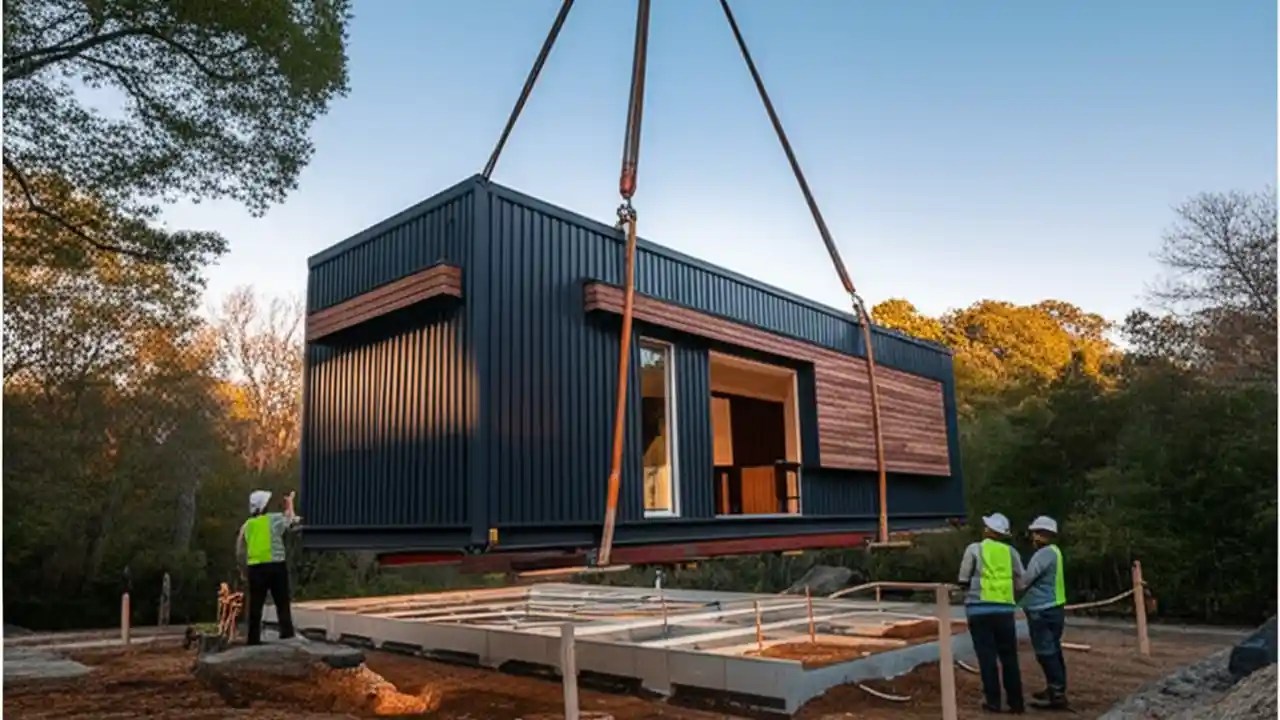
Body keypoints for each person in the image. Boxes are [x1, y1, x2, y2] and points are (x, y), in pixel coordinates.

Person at [958, 512, 1026, 714]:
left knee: (987, 658)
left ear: (988, 530)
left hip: (978, 609)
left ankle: (993, 701)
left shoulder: (975, 549)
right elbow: (1021, 581)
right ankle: (1016, 703)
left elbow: (963, 577)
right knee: (1009, 658)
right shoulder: (1011, 552)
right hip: (1004, 610)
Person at [237, 489, 302, 645]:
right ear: (263, 506)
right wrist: (290, 504)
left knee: (255, 606)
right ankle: (287, 635)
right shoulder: (273, 520)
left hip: (255, 569)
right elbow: (291, 521)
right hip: (276, 566)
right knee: (282, 602)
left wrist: (242, 570)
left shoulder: (247, 526)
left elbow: (240, 550)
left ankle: (253, 640)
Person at [1019, 515, 1069, 710]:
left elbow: (1025, 580)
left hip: (1042, 609)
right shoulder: (1055, 552)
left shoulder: (1043, 554)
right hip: (1053, 607)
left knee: (1046, 652)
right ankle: (1055, 688)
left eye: (1035, 532)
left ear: (1041, 534)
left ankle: (1057, 695)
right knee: (1053, 651)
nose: (1032, 536)